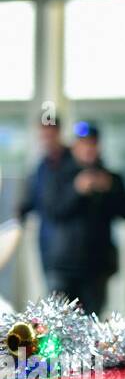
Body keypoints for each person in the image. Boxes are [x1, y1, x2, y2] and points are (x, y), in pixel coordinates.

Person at [43, 122, 125, 317]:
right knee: (58, 323)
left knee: (92, 322)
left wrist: (109, 190)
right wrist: (76, 190)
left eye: (92, 144)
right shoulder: (58, 176)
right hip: (63, 266)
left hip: (96, 267)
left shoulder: (111, 178)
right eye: (84, 144)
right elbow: (52, 211)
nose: (88, 149)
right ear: (75, 146)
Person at [16, 113, 73, 288]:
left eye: (51, 132)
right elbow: (32, 200)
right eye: (44, 133)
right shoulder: (41, 167)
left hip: (75, 252)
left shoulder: (73, 163)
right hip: (50, 250)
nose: (47, 138)